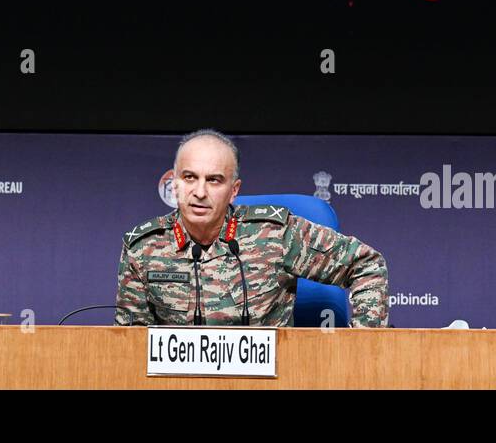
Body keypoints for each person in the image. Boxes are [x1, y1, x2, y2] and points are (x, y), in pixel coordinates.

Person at [115, 129, 388, 326]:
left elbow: (366, 264)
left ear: (233, 191)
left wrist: (361, 345)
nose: (199, 191)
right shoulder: (143, 248)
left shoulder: (275, 235)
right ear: (174, 184)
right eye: (189, 178)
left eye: (214, 180)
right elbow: (131, 347)